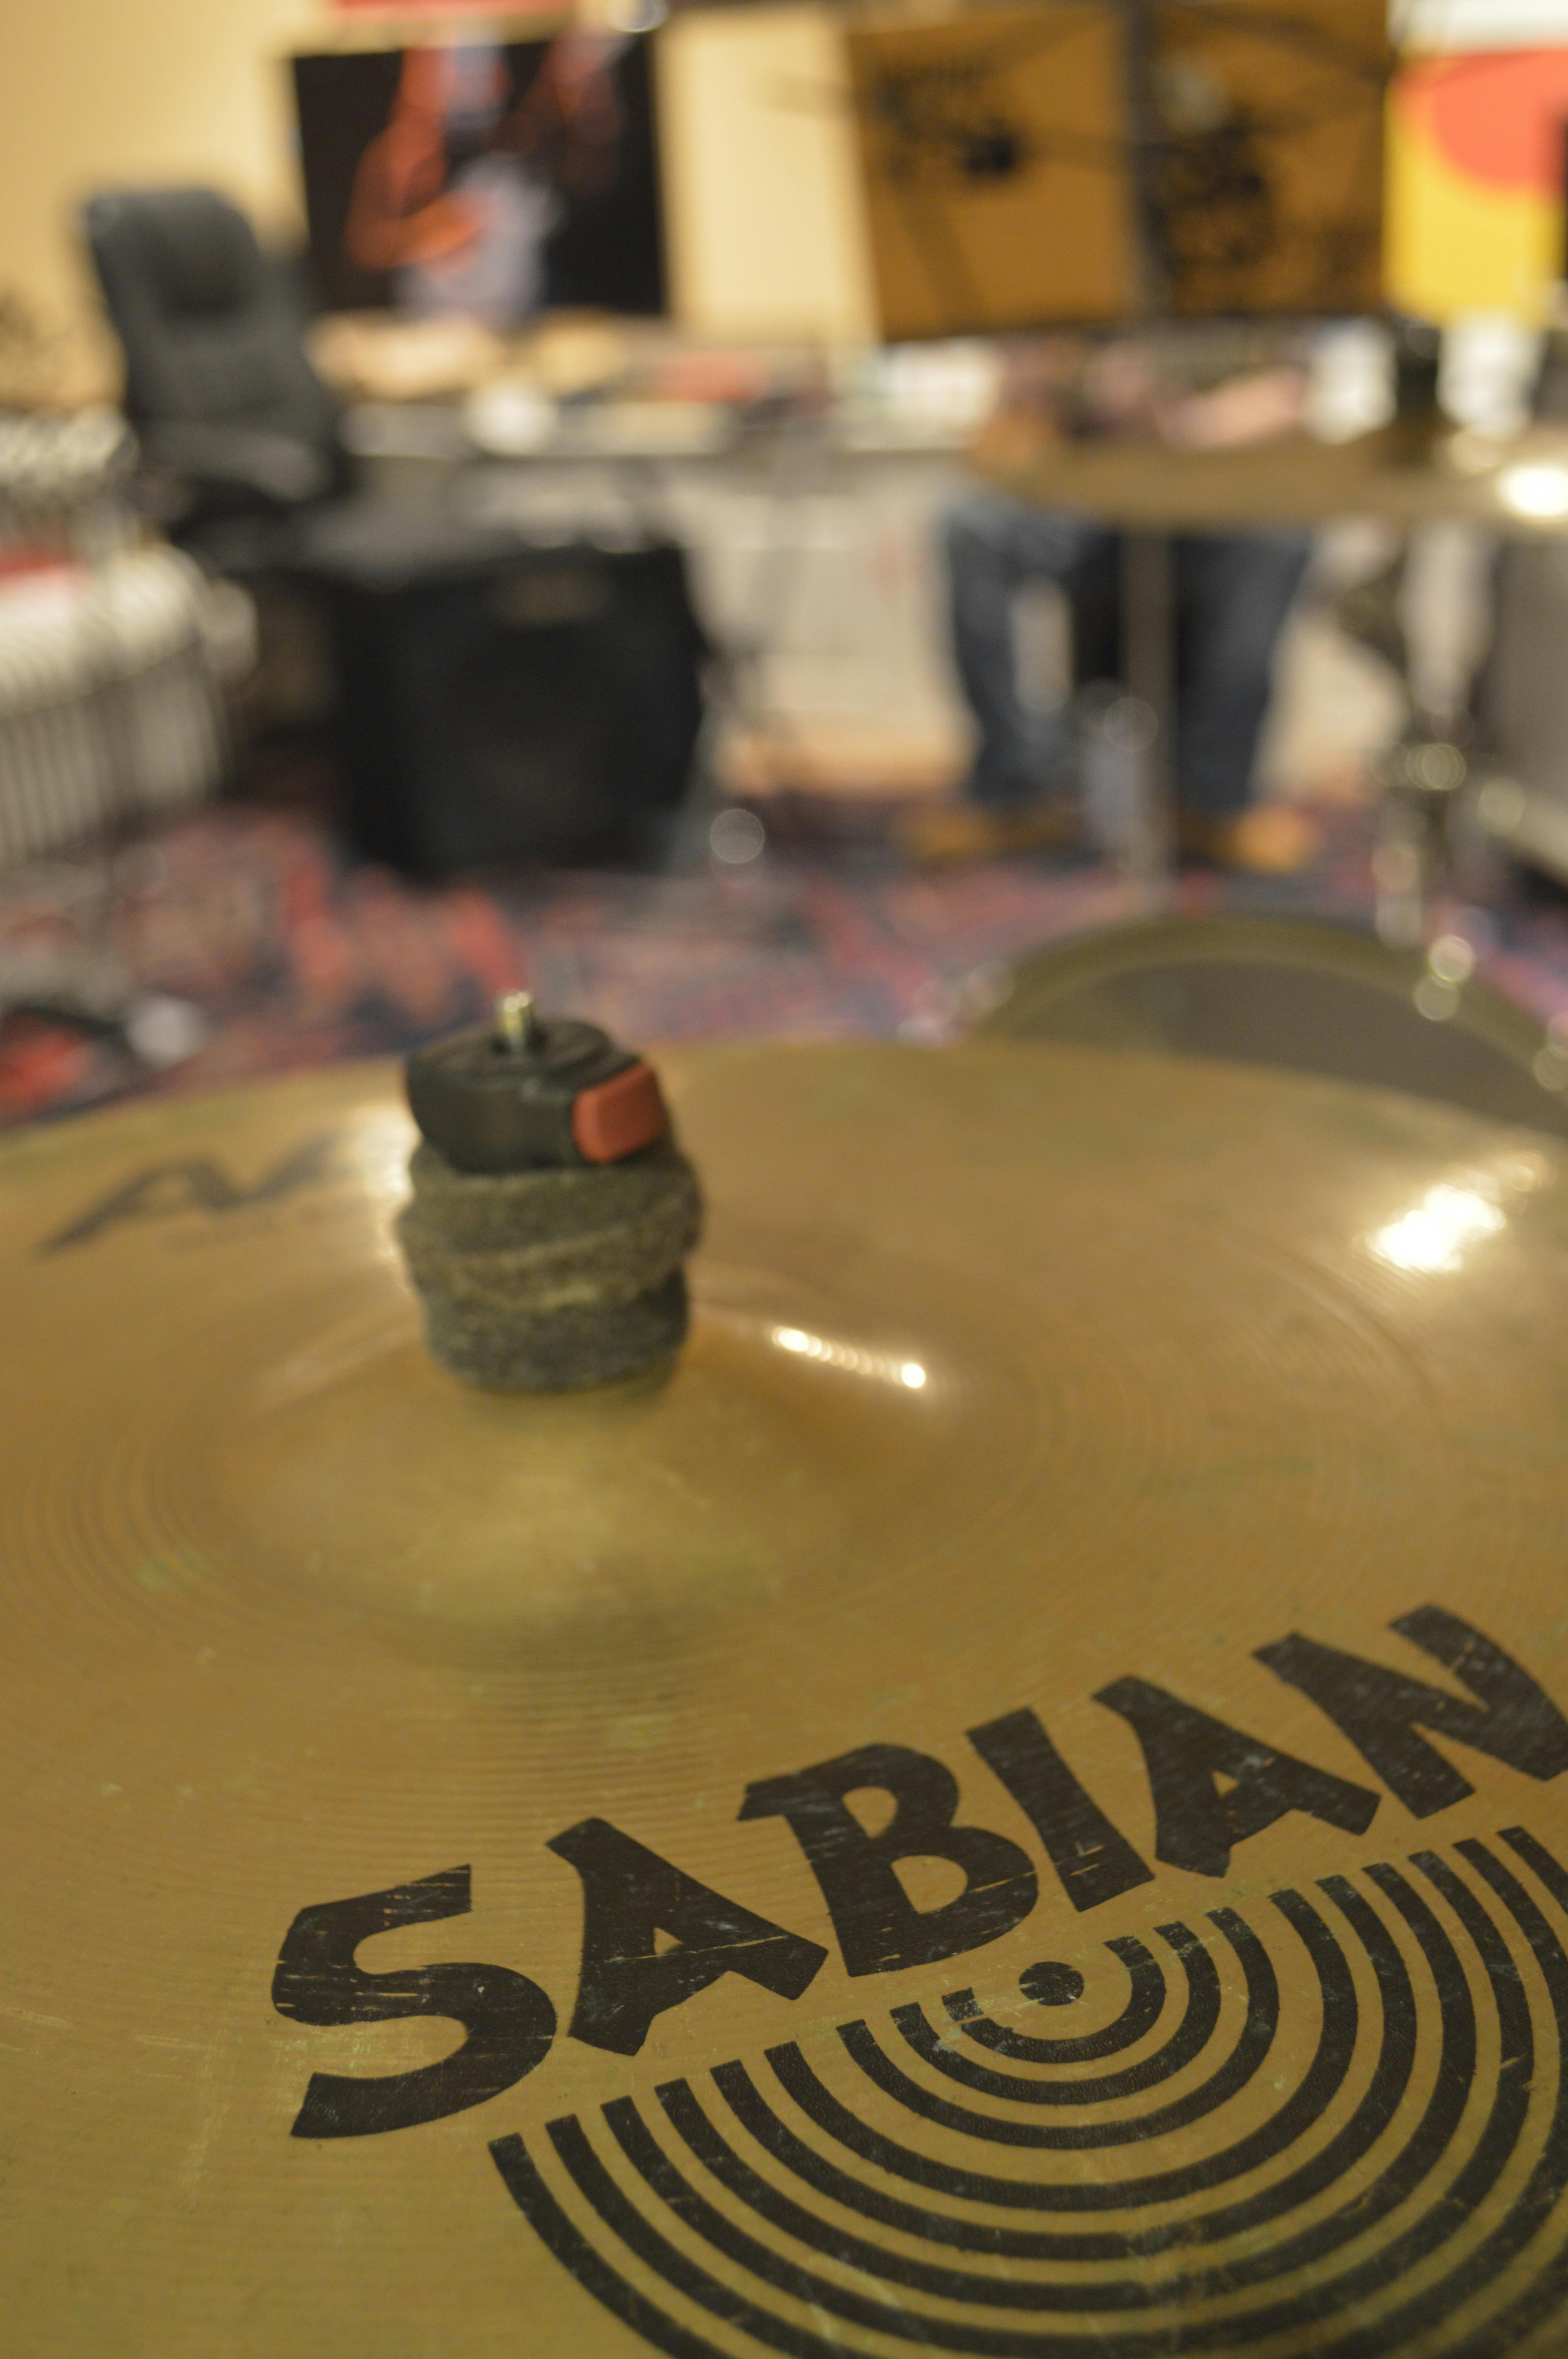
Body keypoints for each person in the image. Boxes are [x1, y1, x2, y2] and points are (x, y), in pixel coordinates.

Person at [913, 332, 1318, 872]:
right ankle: (1014, 788)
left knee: (1282, 538)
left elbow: (1290, 392)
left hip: (1205, 498)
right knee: (969, 528)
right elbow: (1015, 383)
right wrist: (1073, 387)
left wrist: (1183, 425)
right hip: (1087, 498)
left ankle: (1215, 798)